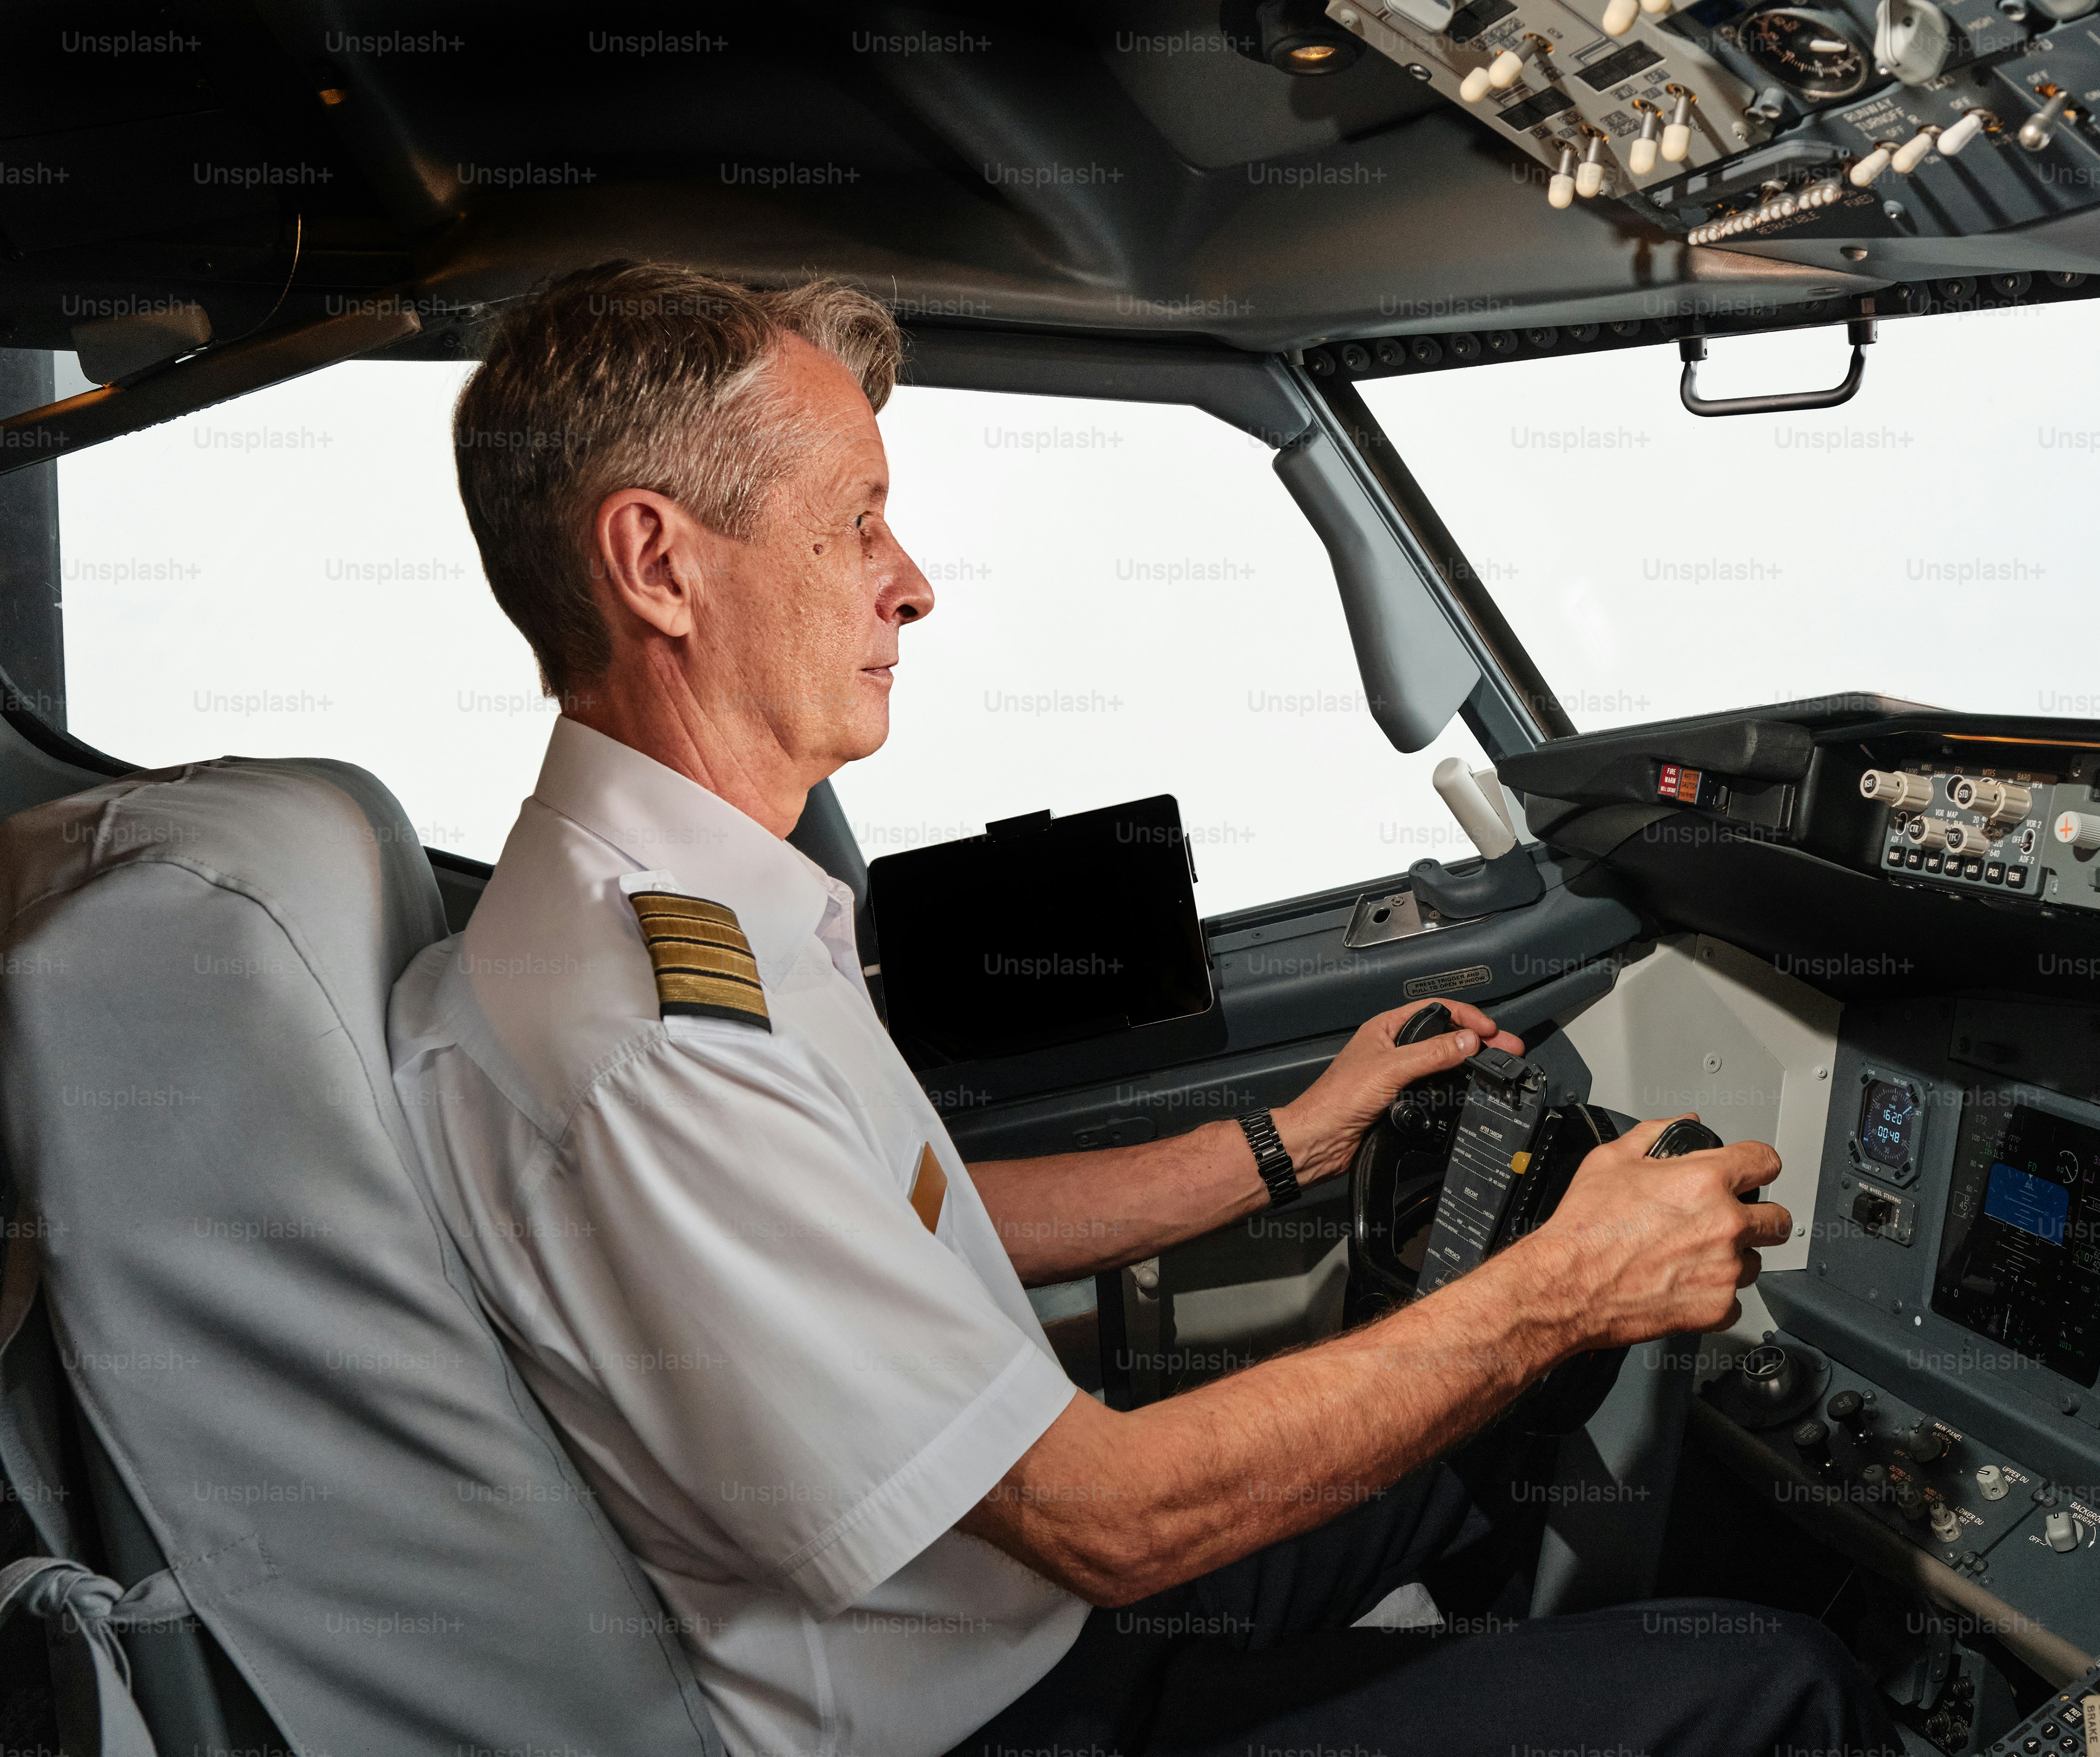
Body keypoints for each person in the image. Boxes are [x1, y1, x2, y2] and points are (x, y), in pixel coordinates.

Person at [389, 259, 1901, 1757]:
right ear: (659, 567)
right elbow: (1102, 1520)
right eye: (854, 521)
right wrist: (1565, 1287)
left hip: (1025, 1624)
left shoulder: (678, 912)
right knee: (1779, 1680)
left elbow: (908, 1211)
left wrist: (1296, 1140)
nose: (910, 581)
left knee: (1479, 1439)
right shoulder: (657, 1041)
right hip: (1000, 1708)